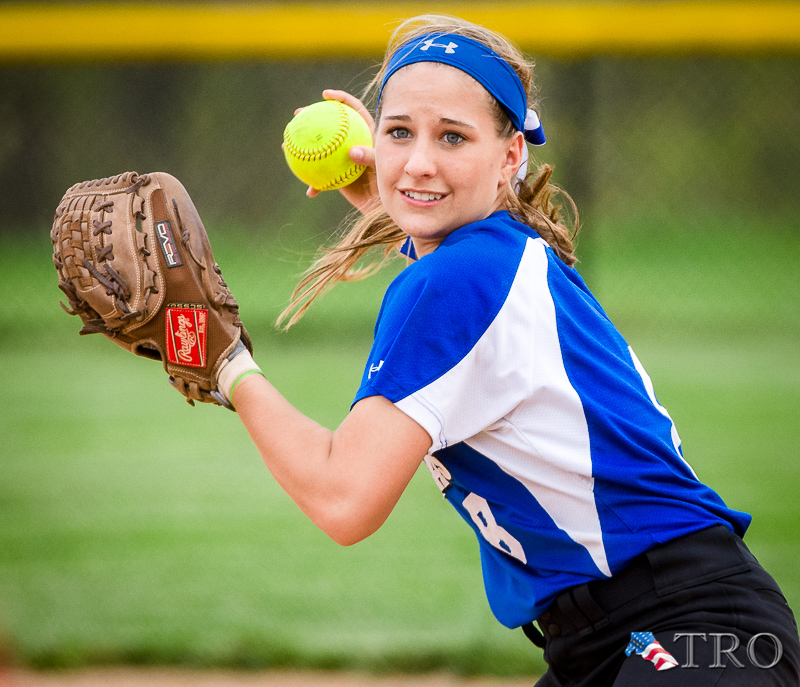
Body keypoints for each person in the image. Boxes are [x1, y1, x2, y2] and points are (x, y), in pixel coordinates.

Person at [215, 14, 800, 686]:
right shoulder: (504, 257)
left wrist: (225, 362)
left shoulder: (457, 280)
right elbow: (452, 246)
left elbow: (344, 496)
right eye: (399, 131)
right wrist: (398, 192)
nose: (420, 159)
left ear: (511, 155)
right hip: (647, 638)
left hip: (691, 636)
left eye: (453, 137)